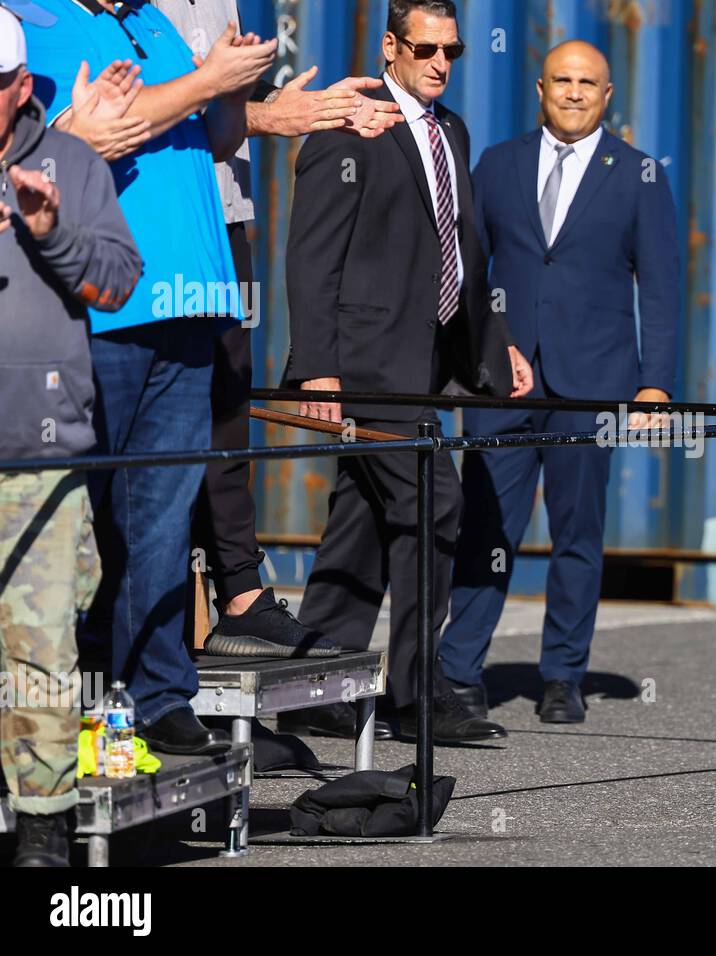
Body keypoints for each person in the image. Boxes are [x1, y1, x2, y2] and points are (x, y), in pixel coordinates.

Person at [23, 0, 278, 755]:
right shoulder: (40, 21)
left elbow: (219, 138)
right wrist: (207, 79)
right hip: (105, 309)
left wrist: (228, 86)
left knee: (162, 517)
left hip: (192, 299)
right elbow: (104, 130)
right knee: (81, 516)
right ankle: (60, 695)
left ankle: (158, 693)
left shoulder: (155, 23)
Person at [286, 0, 531, 742]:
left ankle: (314, 681)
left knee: (361, 519)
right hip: (362, 367)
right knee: (435, 502)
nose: (440, 63)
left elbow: (465, 251)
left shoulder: (449, 129)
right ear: (390, 46)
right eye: (425, 49)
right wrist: (318, 369)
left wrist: (499, 345)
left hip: (422, 365)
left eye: (451, 51)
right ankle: (415, 693)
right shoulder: (350, 124)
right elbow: (311, 254)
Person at [148, 0, 401, 669]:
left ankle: (239, 597)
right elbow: (140, 105)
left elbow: (233, 92)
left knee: (227, 420)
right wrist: (271, 117)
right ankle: (171, 640)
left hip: (224, 218)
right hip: (158, 221)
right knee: (163, 431)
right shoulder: (127, 10)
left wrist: (316, 108)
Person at [441, 40, 680, 724]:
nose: (574, 93)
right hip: (502, 383)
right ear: (539, 87)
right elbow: (468, 270)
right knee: (485, 524)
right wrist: (470, 361)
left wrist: (654, 386)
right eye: (562, 80)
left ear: (609, 95)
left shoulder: (639, 175)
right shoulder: (498, 164)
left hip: (594, 382)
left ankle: (562, 676)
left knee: (578, 531)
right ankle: (458, 673)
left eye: (588, 83)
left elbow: (661, 290)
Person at [0, 4, 140, 865]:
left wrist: (48, 234)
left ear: (18, 88)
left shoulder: (69, 163)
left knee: (40, 642)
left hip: (37, 452)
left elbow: (118, 283)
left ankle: (44, 830)